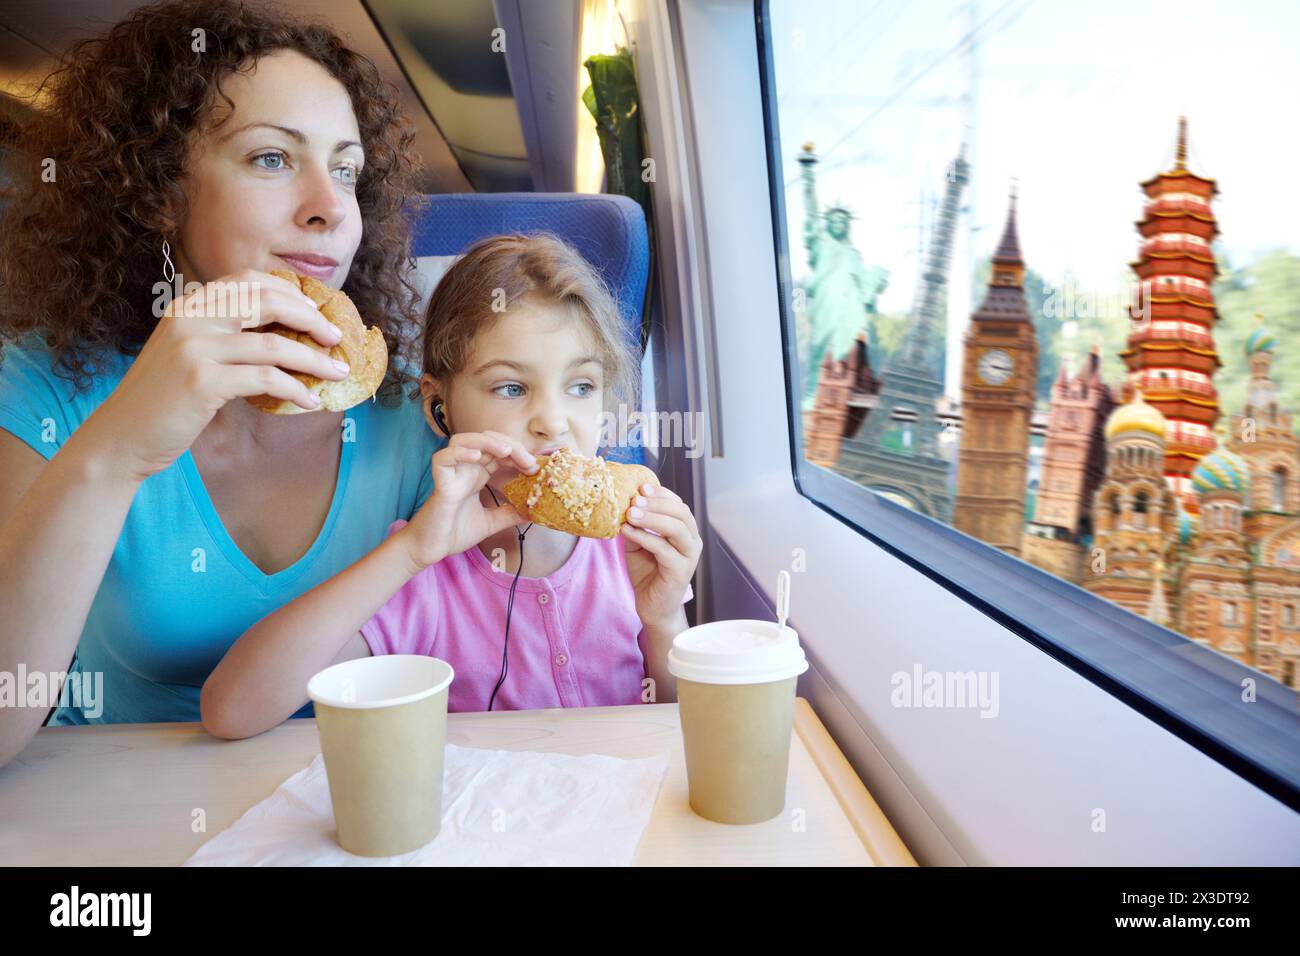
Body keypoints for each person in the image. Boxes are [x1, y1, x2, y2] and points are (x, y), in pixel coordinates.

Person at [0, 0, 440, 765]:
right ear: (162, 192)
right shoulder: (46, 387)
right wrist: (119, 449)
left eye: (346, 170)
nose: (331, 208)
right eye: (272, 159)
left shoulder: (410, 405)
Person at [201, 235, 701, 738]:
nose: (553, 422)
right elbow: (233, 710)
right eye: (511, 387)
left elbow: (683, 728)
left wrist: (663, 623)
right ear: (441, 407)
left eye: (580, 387)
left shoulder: (632, 548)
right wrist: (411, 552)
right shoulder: (426, 571)